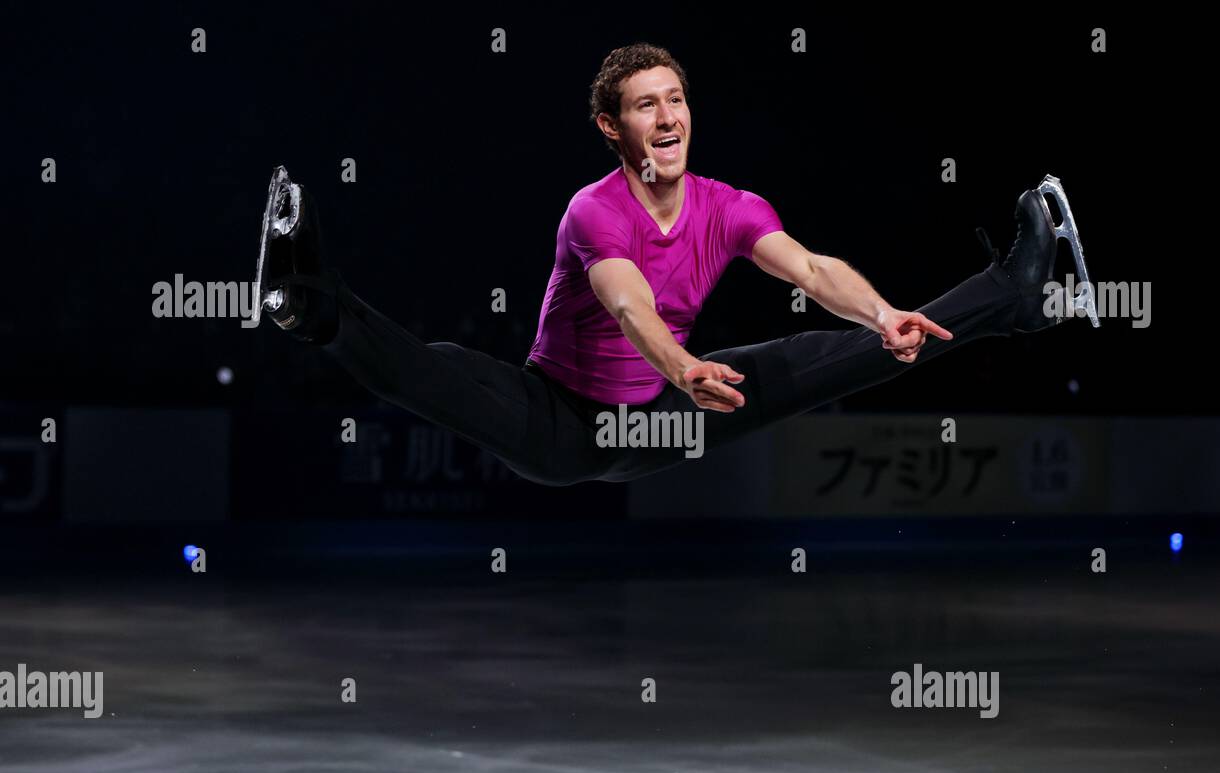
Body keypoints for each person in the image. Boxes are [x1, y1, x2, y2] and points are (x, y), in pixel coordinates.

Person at [253, 43, 1094, 487]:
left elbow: (807, 268)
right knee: (435, 371)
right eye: (645, 104)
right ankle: (310, 305)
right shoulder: (594, 212)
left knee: (846, 351)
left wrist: (877, 315)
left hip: (667, 412)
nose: (667, 116)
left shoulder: (729, 205)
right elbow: (628, 306)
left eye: (676, 98)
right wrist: (685, 365)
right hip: (562, 423)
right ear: (610, 128)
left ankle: (1013, 296)